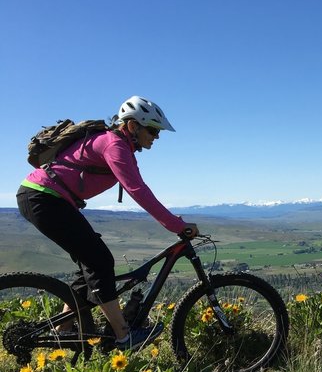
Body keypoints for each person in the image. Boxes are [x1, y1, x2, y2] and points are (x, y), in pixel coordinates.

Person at [17, 96, 199, 350]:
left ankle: (62, 332)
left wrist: (173, 221)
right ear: (133, 125)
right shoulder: (114, 145)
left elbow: (137, 187)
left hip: (48, 199)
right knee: (100, 261)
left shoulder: (118, 144)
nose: (156, 137)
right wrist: (175, 225)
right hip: (44, 198)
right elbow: (137, 190)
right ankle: (124, 337)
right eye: (153, 130)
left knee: (89, 267)